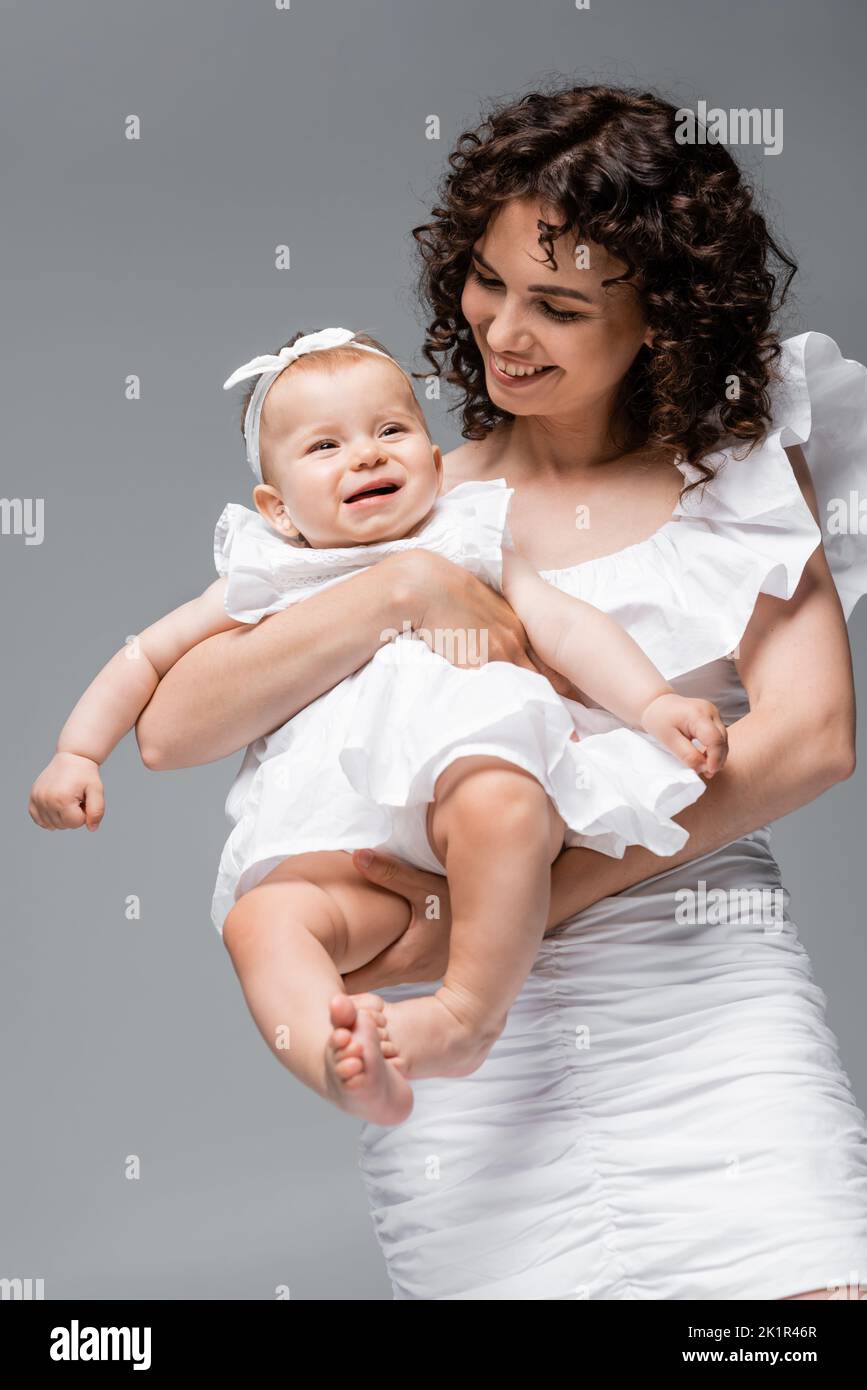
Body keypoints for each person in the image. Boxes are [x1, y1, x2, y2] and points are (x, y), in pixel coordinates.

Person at [135, 85, 867, 1299]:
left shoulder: (737, 466)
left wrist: (483, 922)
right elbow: (171, 727)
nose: (504, 331)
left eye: (561, 304)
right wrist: (396, 590)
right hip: (463, 1058)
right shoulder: (404, 497)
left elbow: (810, 741)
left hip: (692, 981)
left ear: (663, 323)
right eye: (488, 281)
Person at [28, 325, 727, 1127]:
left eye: (390, 430)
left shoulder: (466, 537)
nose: (364, 456)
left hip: (462, 793)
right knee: (264, 920)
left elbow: (564, 627)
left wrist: (652, 705)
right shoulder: (271, 572)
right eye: (324, 446)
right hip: (347, 846)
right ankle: (336, 1060)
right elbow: (145, 658)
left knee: (500, 797)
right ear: (277, 509)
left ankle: (464, 1015)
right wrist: (77, 752)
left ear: (435, 463)